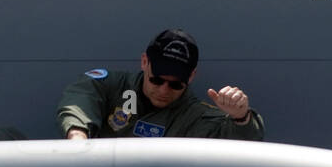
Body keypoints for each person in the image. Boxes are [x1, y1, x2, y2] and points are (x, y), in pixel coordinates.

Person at [56, 29, 264, 140]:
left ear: (191, 76)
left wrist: (241, 117)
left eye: (176, 85)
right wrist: (77, 135)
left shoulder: (194, 116)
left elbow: (242, 140)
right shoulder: (114, 86)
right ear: (144, 62)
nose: (164, 90)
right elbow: (81, 96)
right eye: (157, 80)